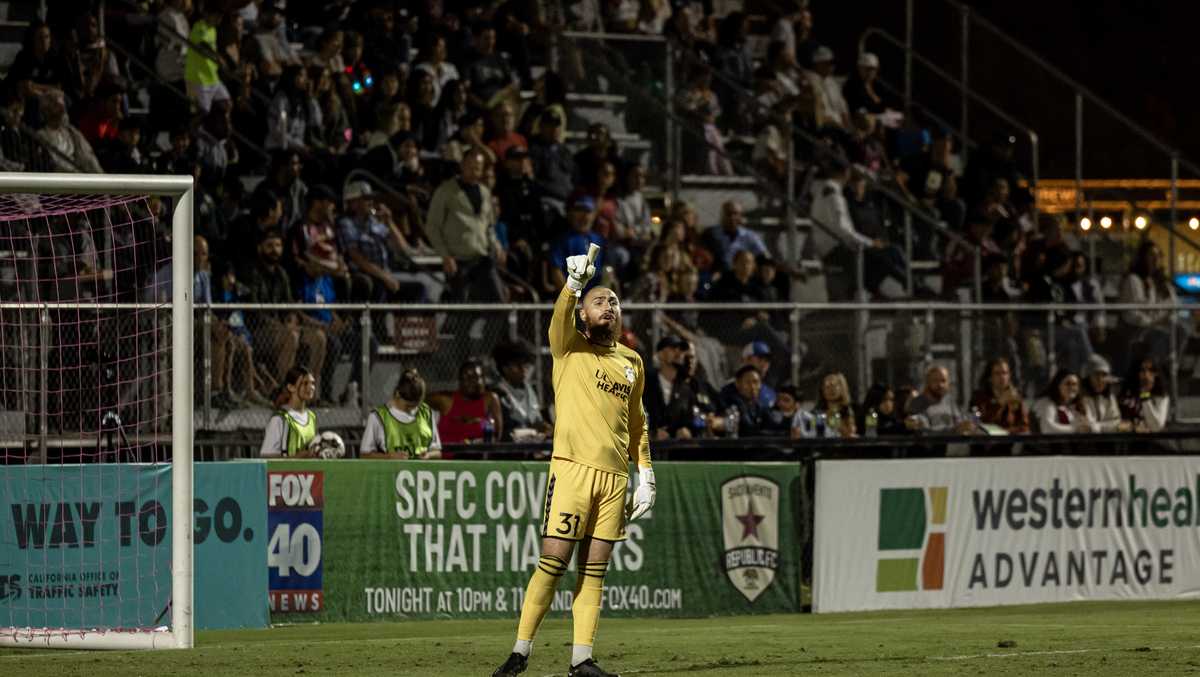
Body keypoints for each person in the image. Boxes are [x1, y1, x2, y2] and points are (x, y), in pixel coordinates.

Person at [492, 246, 654, 677]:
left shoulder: (633, 363)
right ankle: (520, 652)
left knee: (595, 572)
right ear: (583, 314)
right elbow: (558, 318)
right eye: (599, 301)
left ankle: (581, 659)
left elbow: (638, 423)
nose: (609, 306)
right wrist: (572, 286)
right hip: (572, 472)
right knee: (553, 564)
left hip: (615, 479)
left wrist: (646, 474)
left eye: (614, 301)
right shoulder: (568, 348)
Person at [361, 368, 442, 458]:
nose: (412, 409)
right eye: (408, 406)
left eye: (416, 405)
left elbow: (438, 452)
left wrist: (429, 455)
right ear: (398, 394)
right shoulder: (377, 417)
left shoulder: (426, 412)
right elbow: (364, 455)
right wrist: (389, 457)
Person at [431, 358, 504, 447]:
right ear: (460, 381)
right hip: (448, 453)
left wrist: (478, 423)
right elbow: (419, 399)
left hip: (478, 453)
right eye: (467, 378)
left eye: (476, 377)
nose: (472, 382)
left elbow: (496, 436)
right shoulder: (446, 400)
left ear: (484, 380)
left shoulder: (490, 399)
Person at [493, 339, 551, 441]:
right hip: (513, 445)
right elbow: (505, 432)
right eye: (518, 365)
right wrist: (533, 429)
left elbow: (536, 418)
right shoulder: (497, 393)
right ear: (505, 369)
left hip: (534, 442)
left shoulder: (528, 389)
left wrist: (544, 426)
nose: (523, 369)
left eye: (524, 365)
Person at [260, 367, 319, 457]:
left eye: (313, 383)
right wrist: (298, 458)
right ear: (291, 387)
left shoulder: (312, 417)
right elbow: (266, 456)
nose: (311, 387)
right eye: (305, 383)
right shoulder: (280, 419)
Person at [906, 366, 974, 434]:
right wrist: (953, 430)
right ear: (928, 382)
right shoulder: (918, 403)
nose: (940, 385)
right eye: (935, 381)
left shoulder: (951, 402)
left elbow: (961, 423)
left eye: (943, 381)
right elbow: (924, 433)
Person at [969, 357, 1030, 433]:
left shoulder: (1014, 396)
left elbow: (1024, 426)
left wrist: (1003, 432)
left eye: (1005, 373)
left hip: (1009, 439)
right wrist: (999, 404)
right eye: (997, 373)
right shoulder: (979, 397)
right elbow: (980, 423)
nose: (1002, 377)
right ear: (990, 377)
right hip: (986, 439)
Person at [1032, 369, 1093, 434]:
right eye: (1068, 384)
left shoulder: (1078, 405)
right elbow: (1047, 428)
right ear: (1058, 385)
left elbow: (1091, 424)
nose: (1071, 387)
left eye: (1075, 384)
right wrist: (1076, 429)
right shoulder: (1046, 403)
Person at [718, 365, 772, 437]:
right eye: (748, 382)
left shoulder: (758, 405)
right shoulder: (732, 401)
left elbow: (772, 424)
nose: (753, 387)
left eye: (756, 382)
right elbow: (748, 429)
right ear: (737, 384)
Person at [1081, 354, 1128, 433]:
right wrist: (1107, 426)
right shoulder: (1080, 398)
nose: (1100, 380)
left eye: (1104, 375)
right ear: (1087, 377)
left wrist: (1097, 426)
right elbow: (1087, 426)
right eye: (1096, 375)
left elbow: (1116, 422)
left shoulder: (1109, 397)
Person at [1119, 358, 1169, 433]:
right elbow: (1119, 423)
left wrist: (1145, 395)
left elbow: (1156, 427)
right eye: (1142, 370)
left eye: (1151, 370)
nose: (1146, 375)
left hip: (1152, 439)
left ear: (1157, 373)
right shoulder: (1127, 393)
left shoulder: (1161, 396)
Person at [812, 371, 856, 437]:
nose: (831, 389)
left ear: (842, 387)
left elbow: (851, 432)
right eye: (827, 386)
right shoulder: (817, 412)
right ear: (822, 390)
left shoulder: (851, 409)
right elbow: (814, 433)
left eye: (834, 385)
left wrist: (838, 424)